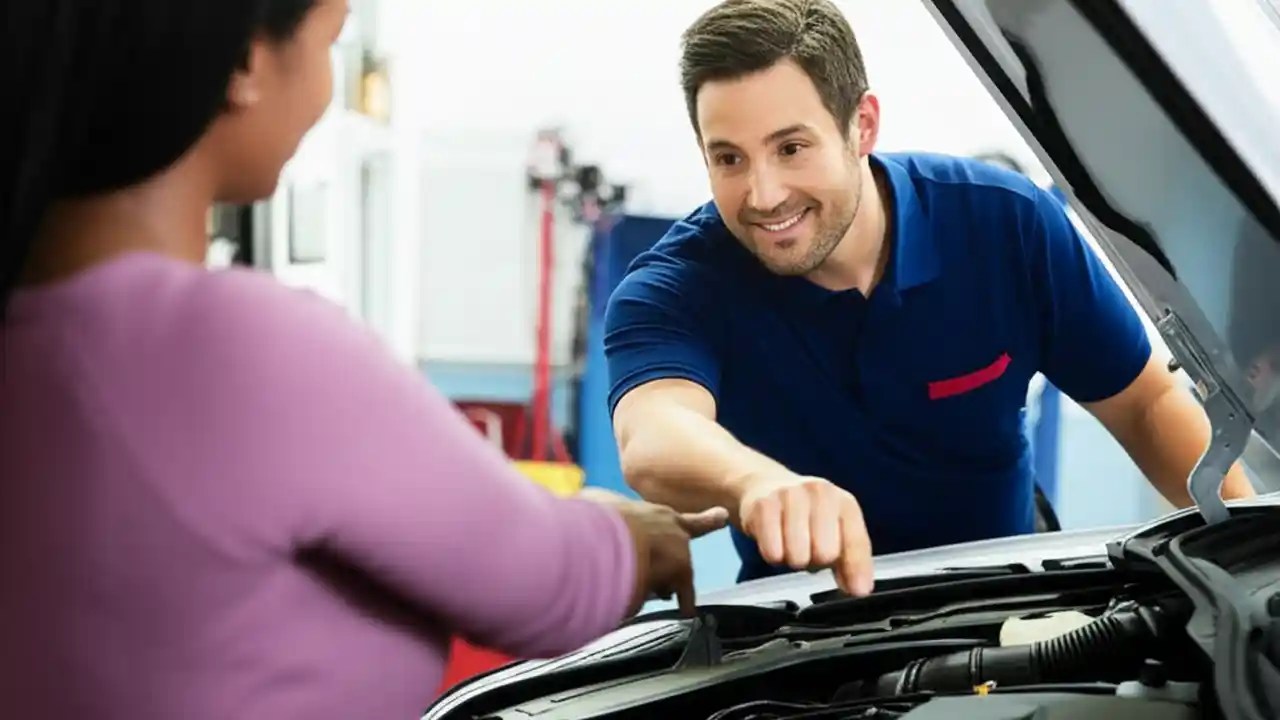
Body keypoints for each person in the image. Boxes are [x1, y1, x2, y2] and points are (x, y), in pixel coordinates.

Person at [0, 1, 727, 718]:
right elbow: (545, 581)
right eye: (329, 47)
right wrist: (632, 536)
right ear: (248, 62)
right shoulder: (232, 344)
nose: (325, 89)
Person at [603, 0, 1255, 597]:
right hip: (797, 638)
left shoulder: (1008, 227)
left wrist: (1249, 552)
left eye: (791, 147)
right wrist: (756, 483)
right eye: (729, 159)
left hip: (1008, 608)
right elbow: (654, 433)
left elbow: (1144, 406)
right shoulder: (679, 284)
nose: (763, 193)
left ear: (862, 125)